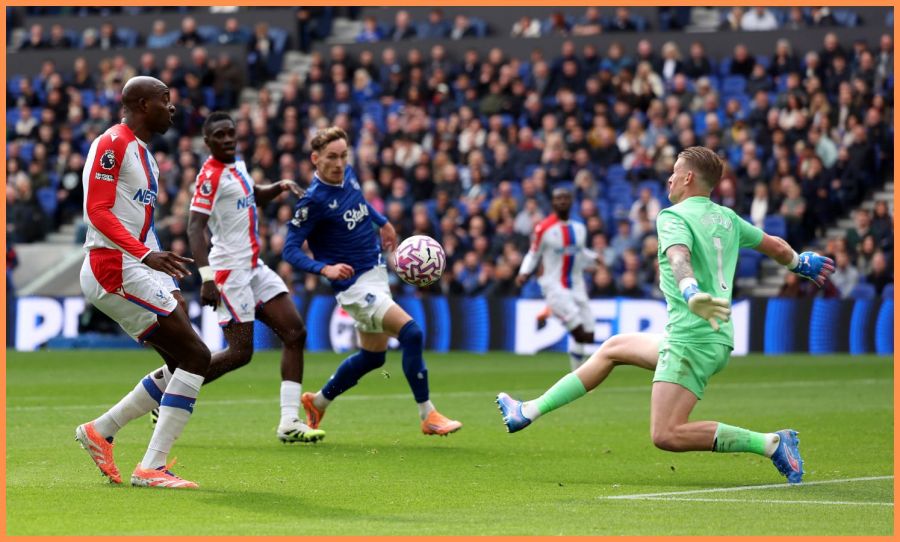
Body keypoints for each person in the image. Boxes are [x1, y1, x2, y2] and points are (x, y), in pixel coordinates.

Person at [498, 146, 835, 485]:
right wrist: (800, 263)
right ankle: (527, 411)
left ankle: (770, 444)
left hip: (692, 337)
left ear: (688, 177)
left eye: (675, 170)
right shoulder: (727, 219)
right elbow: (776, 246)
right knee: (613, 348)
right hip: (710, 334)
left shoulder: (673, 217)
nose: (670, 177)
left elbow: (678, 258)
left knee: (666, 434)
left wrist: (690, 292)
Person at [75, 76, 211, 489]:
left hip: (132, 266)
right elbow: (97, 211)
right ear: (140, 103)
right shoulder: (113, 144)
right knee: (197, 356)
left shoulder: (146, 156)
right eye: (164, 100)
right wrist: (144, 254)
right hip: (111, 267)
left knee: (181, 359)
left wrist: (159, 272)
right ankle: (151, 467)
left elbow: (140, 223)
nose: (172, 107)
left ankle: (102, 430)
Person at [282, 127, 462, 436]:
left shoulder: (348, 174)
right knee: (412, 333)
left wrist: (383, 222)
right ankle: (428, 415)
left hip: (376, 272)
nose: (339, 163)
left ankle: (319, 402)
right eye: (331, 157)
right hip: (355, 288)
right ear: (315, 159)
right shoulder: (312, 202)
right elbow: (289, 249)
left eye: (343, 156)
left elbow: (360, 203)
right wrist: (325, 269)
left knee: (373, 357)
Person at [186, 111, 324, 443]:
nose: (228, 139)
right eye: (219, 135)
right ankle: (171, 390)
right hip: (228, 272)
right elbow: (194, 227)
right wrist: (205, 278)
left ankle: (289, 422)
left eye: (231, 133)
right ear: (208, 142)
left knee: (294, 332)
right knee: (240, 352)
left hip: (253, 266)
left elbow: (251, 195)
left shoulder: (238, 164)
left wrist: (278, 187)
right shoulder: (210, 176)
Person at [516, 188, 598, 370]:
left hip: (576, 284)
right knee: (578, 329)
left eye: (565, 198)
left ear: (571, 202)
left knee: (589, 335)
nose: (561, 201)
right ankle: (578, 375)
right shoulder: (543, 228)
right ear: (552, 203)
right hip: (554, 285)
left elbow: (581, 252)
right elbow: (533, 253)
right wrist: (524, 272)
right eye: (557, 198)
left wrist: (595, 260)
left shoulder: (579, 228)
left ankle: (550, 312)